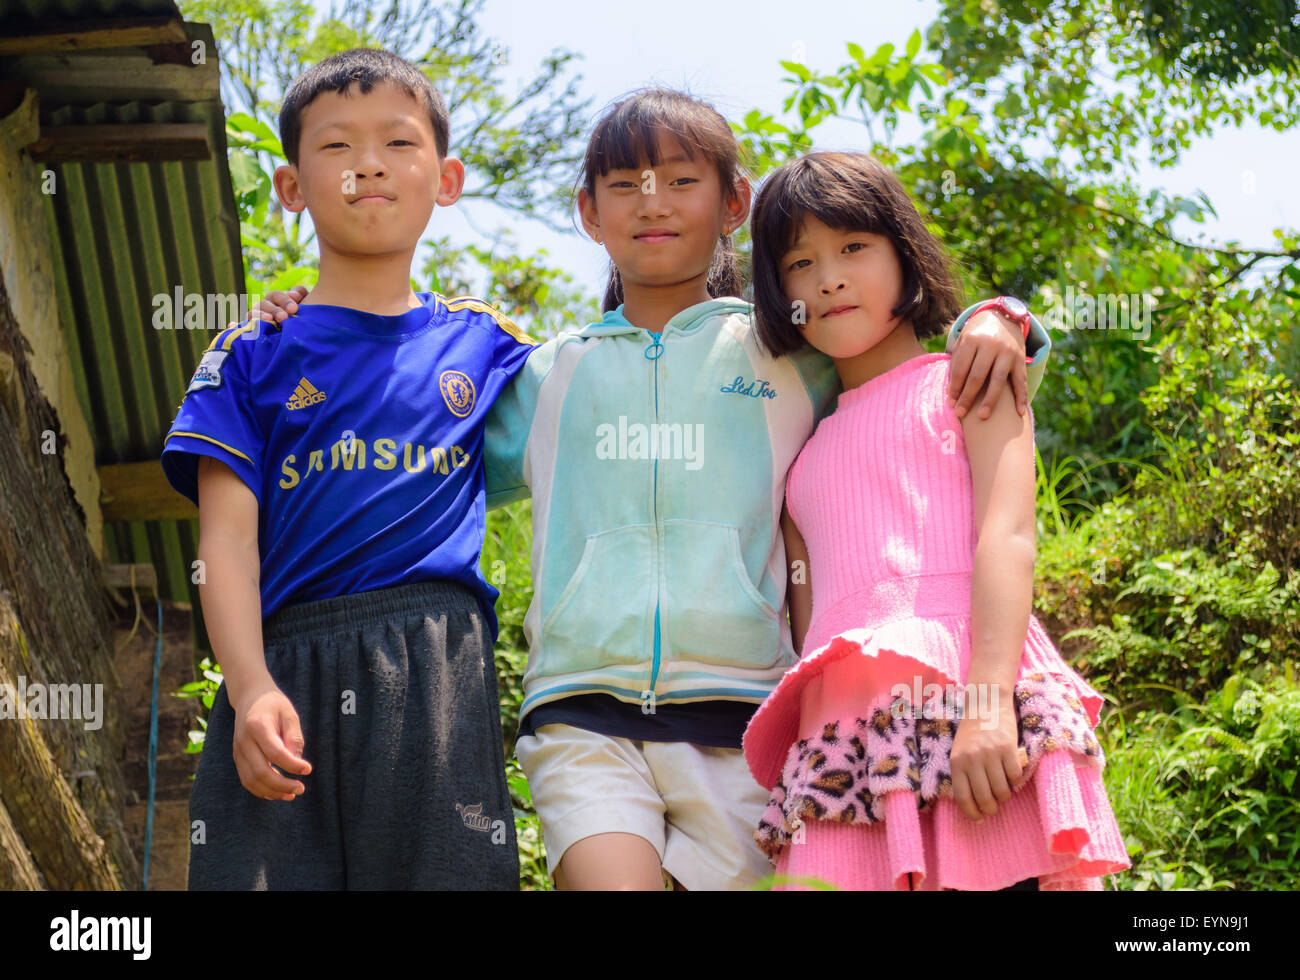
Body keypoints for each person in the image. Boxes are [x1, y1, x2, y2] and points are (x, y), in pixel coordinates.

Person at [257, 89, 1049, 890]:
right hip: (580, 713)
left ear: (734, 203)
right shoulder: (543, 375)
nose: (652, 204)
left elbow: (915, 383)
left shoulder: (793, 357)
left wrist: (1001, 317)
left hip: (746, 718)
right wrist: (312, 322)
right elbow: (404, 444)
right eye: (625, 184)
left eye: (679, 180)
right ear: (588, 212)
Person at [160, 48, 534, 889]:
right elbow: (224, 539)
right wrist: (249, 684)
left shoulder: (492, 346)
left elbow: (618, 390)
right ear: (292, 187)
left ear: (447, 178)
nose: (368, 164)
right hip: (285, 665)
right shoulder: (253, 353)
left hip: (439, 669)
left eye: (398, 143)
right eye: (335, 148)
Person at [741, 151, 1131, 890]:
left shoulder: (970, 381)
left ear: (904, 254)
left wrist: (988, 706)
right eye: (800, 263)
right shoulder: (799, 463)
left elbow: (1009, 536)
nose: (828, 278)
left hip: (972, 705)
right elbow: (804, 620)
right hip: (853, 748)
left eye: (854, 248)